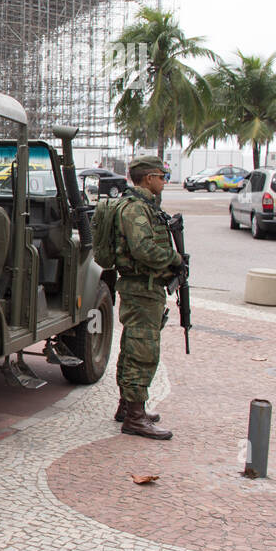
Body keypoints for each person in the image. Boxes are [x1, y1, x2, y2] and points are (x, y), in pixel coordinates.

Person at [113, 155, 181, 440]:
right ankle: (135, 417)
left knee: (133, 346)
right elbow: (143, 250)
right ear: (149, 177)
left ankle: (128, 407)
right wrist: (174, 258)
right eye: (162, 176)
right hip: (141, 289)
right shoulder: (136, 209)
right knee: (143, 351)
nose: (164, 181)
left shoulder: (143, 206)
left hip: (143, 288)